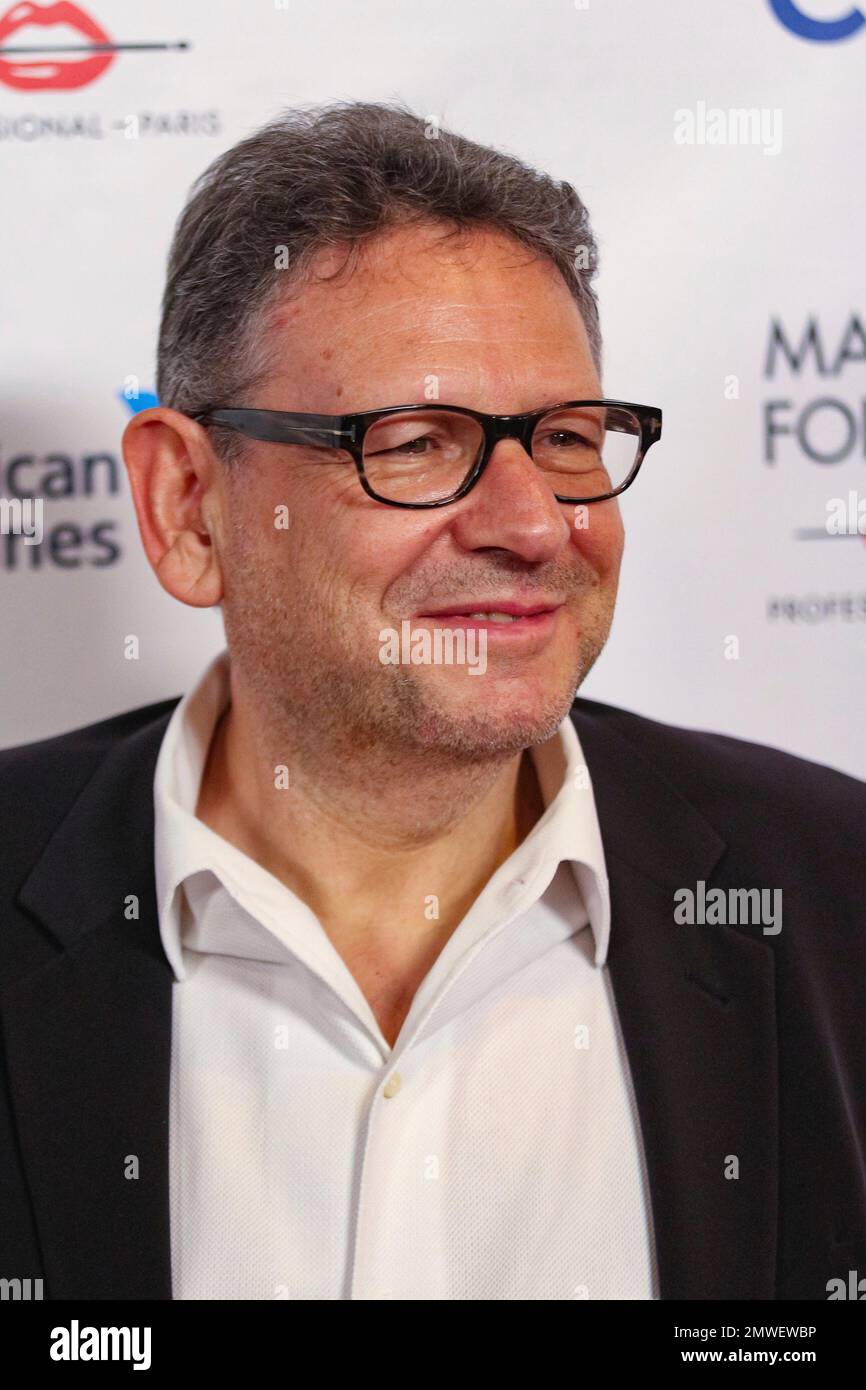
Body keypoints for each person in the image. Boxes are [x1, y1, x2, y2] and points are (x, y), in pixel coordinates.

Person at [1, 102, 864, 1302]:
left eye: (565, 437)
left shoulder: (831, 888)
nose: (527, 523)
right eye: (410, 442)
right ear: (189, 508)